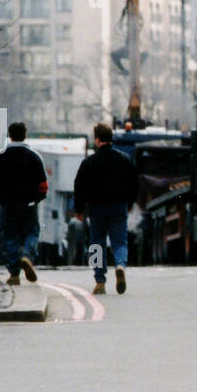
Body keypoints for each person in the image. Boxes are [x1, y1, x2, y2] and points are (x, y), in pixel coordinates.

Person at [73, 123, 138, 296]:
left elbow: (79, 186)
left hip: (96, 209)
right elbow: (134, 182)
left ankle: (100, 280)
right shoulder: (124, 159)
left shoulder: (89, 162)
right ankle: (120, 265)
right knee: (120, 242)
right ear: (111, 139)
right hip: (118, 206)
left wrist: (79, 209)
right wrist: (130, 202)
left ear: (97, 139)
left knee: (96, 244)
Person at [0, 122, 48, 285]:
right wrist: (38, 198)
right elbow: (43, 185)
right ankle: (27, 255)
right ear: (25, 134)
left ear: (10, 135)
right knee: (32, 232)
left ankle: (14, 273)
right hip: (29, 205)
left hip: (7, 205)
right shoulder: (34, 157)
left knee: (10, 237)